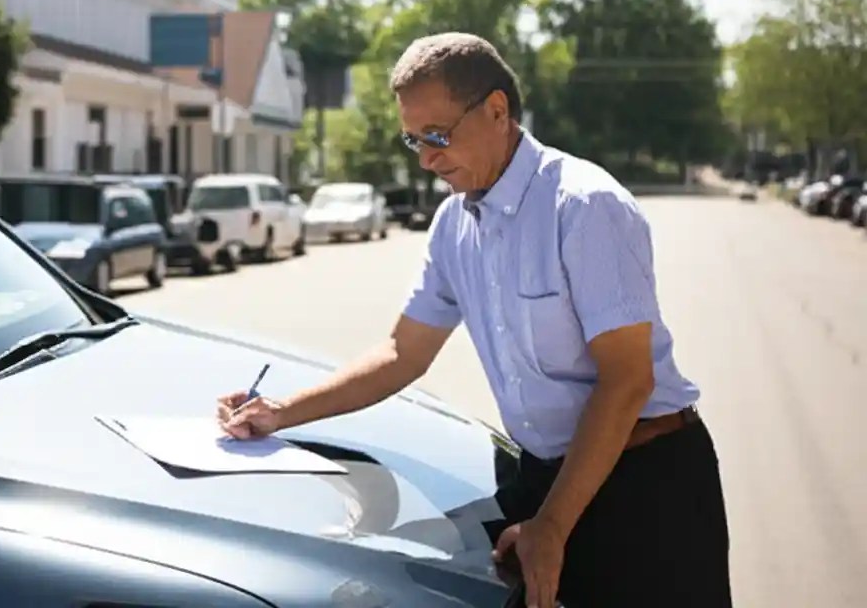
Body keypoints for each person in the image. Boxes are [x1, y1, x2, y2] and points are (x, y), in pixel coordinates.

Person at [216, 33, 732, 608]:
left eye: (438, 136)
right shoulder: (452, 225)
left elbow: (627, 380)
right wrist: (281, 412)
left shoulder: (584, 207)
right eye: (412, 140)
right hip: (546, 483)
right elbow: (400, 353)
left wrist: (552, 527)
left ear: (496, 111)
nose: (426, 159)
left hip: (647, 492)